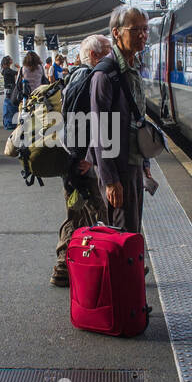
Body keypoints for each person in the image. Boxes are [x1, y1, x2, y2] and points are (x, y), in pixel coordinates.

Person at [51, 33, 111, 286]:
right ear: (95, 55)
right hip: (78, 162)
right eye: (108, 50)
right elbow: (80, 122)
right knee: (96, 212)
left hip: (72, 160)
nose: (112, 55)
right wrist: (85, 158)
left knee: (76, 211)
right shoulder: (88, 79)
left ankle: (65, 267)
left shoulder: (76, 75)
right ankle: (103, 265)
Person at [88, 6, 153, 236]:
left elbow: (138, 118)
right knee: (121, 233)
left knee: (132, 229)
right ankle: (123, 272)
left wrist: (145, 163)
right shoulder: (105, 74)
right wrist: (109, 180)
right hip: (118, 167)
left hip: (133, 162)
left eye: (146, 29)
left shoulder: (133, 68)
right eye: (136, 29)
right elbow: (100, 131)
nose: (143, 35)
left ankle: (132, 270)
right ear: (116, 33)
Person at [0, 55, 17, 130]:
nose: (12, 60)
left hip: (8, 90)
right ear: (8, 61)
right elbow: (17, 73)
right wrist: (19, 67)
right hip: (9, 91)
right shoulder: (7, 70)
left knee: (9, 106)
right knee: (10, 106)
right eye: (10, 59)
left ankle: (9, 123)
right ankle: (9, 123)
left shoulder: (6, 70)